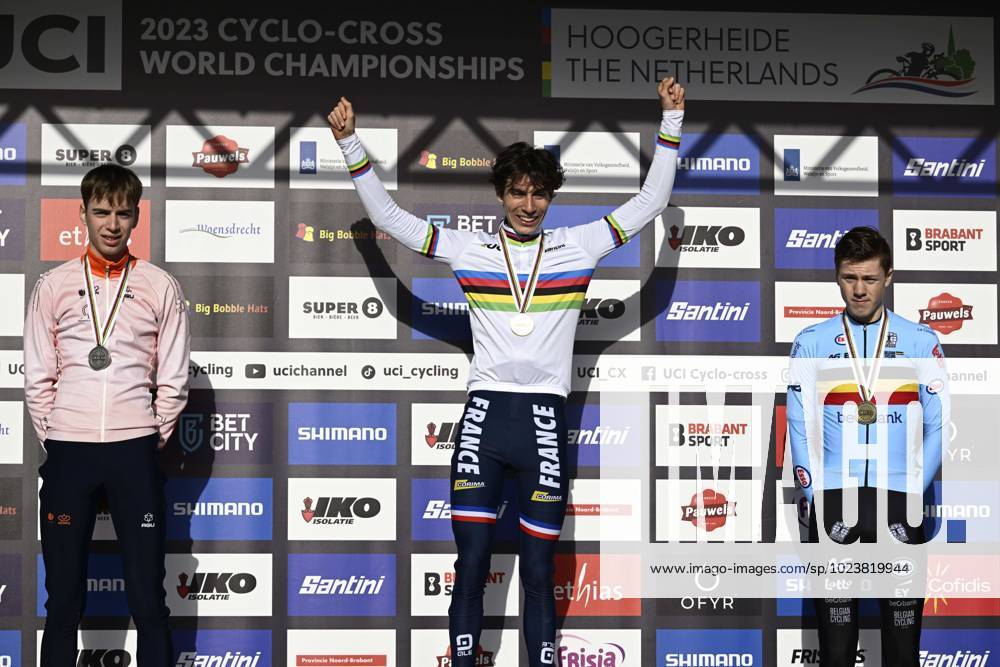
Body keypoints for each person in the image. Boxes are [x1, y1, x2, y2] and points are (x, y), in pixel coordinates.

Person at [328, 77, 685, 666]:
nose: (527, 204)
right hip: (485, 419)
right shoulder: (469, 249)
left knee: (540, 568)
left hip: (544, 420)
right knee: (470, 562)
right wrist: (350, 145)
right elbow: (390, 218)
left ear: (552, 197)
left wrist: (671, 121)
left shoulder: (580, 244)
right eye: (517, 192)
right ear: (500, 194)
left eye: (538, 193)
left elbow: (649, 203)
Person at [24, 164, 190, 667]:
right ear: (83, 215)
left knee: (148, 600)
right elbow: (37, 377)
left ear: (137, 216)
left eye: (122, 213)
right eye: (101, 212)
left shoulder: (161, 285)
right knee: (63, 604)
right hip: (69, 453)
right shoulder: (53, 285)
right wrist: (59, 433)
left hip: (133, 452)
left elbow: (174, 379)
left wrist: (143, 434)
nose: (111, 224)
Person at [786, 226, 947, 666]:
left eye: (870, 279)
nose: (859, 290)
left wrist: (914, 489)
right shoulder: (811, 342)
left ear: (889, 277)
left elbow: (937, 425)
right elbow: (797, 425)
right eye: (849, 278)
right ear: (837, 277)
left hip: (900, 503)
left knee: (902, 651)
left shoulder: (921, 341)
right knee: (836, 651)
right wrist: (813, 493)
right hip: (836, 501)